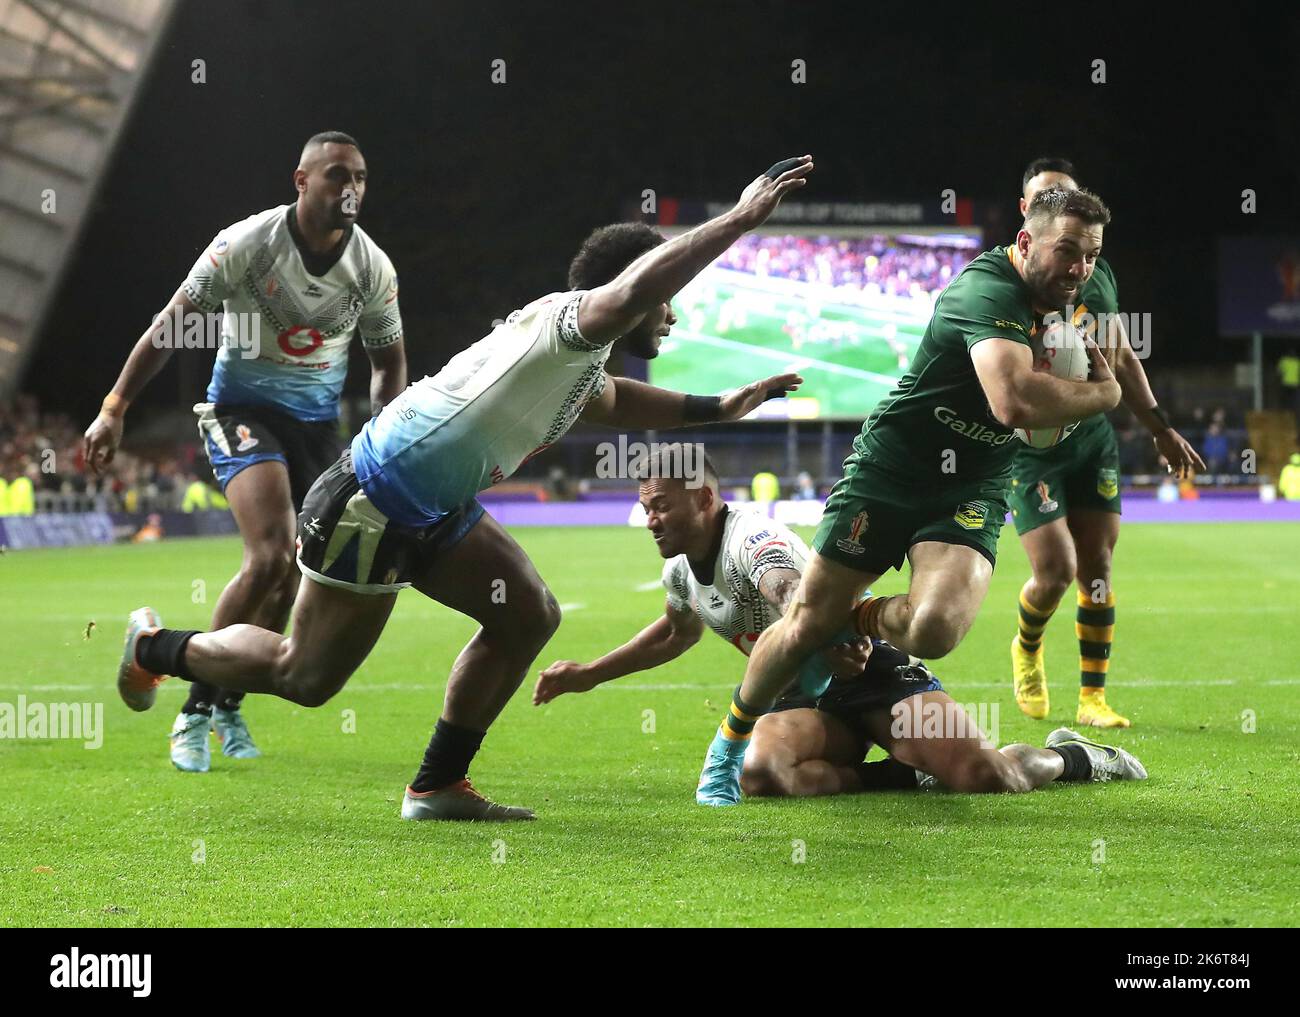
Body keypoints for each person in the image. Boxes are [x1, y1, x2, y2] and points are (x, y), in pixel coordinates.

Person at [116, 156, 815, 821]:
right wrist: (741, 219)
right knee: (306, 677)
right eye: (669, 303)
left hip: (431, 506)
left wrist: (718, 408)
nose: (673, 316)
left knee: (529, 614)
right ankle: (153, 647)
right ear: (640, 289)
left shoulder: (579, 363)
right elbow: (634, 295)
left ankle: (438, 783)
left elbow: (620, 399)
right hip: (374, 496)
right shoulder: (571, 322)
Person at [698, 183, 1127, 806]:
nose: (1079, 269)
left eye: (1090, 255)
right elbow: (1013, 401)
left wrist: (1147, 409)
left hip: (973, 485)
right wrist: (1105, 398)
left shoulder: (1085, 292)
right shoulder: (986, 292)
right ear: (1026, 240)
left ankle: (857, 616)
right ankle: (725, 752)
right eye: (1068, 252)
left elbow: (1110, 356)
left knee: (933, 630)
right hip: (890, 471)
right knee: (801, 628)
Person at [536, 446, 1147, 798]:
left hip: (871, 673)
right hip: (805, 701)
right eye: (645, 507)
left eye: (660, 506)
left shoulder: (755, 544)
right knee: (761, 773)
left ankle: (1077, 758)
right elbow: (675, 631)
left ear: (704, 499)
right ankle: (907, 778)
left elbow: (796, 603)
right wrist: (590, 673)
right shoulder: (679, 571)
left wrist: (835, 641)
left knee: (988, 777)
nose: (649, 520)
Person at [84, 131, 408, 773]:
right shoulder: (247, 245)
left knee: (296, 569)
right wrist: (114, 407)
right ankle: (194, 710)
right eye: (338, 175)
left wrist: (383, 437)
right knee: (267, 556)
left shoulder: (372, 268)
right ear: (301, 180)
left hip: (317, 428)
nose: (351, 189)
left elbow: (388, 362)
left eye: (362, 178)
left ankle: (229, 699)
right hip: (241, 411)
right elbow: (170, 327)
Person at [1007, 158, 1203, 728]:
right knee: (1055, 571)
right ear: (1027, 212)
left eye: (1069, 199)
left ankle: (1092, 697)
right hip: (1030, 448)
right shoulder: (1002, 282)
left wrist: (1160, 426)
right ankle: (1027, 647)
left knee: (1096, 568)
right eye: (1046, 200)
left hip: (1091, 440)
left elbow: (1120, 356)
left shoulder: (1098, 275)